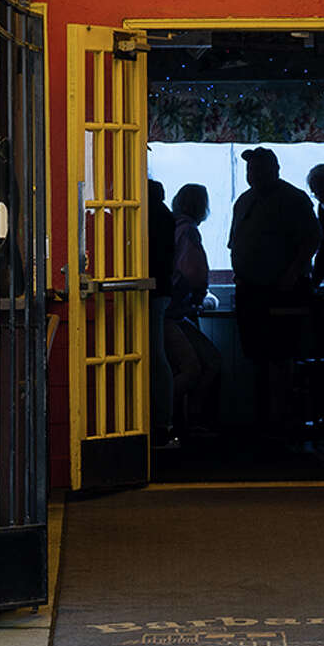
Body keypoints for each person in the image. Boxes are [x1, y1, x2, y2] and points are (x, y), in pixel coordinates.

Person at [228, 148, 318, 438]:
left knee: (281, 357)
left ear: (275, 169)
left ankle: (282, 423)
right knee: (254, 356)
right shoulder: (244, 201)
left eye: (258, 168)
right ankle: (261, 421)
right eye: (249, 169)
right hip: (249, 290)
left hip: (282, 292)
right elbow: (235, 243)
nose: (252, 174)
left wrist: (291, 276)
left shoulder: (293, 199)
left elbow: (311, 241)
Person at [165, 183, 224, 435]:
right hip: (174, 313)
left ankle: (180, 418)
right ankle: (165, 414)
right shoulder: (188, 231)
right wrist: (200, 291)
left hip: (169, 311)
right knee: (203, 364)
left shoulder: (171, 227)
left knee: (198, 364)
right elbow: (193, 271)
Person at [147, 178, 178, 450]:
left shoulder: (153, 217)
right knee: (157, 356)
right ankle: (161, 422)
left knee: (155, 357)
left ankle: (159, 422)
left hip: (150, 292)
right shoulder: (167, 217)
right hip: (160, 292)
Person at [307, 163, 324, 286]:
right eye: (316, 193)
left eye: (323, 191)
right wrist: (314, 283)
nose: (320, 198)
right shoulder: (323, 209)